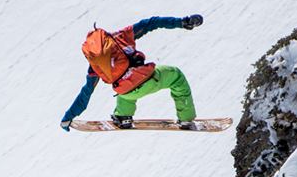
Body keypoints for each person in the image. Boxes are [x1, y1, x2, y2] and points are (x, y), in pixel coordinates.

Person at [60, 15, 204, 131]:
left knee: (122, 88)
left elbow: (86, 93)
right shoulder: (120, 37)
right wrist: (183, 22)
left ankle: (123, 117)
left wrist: (68, 116)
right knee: (176, 76)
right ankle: (186, 118)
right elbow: (151, 23)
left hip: (127, 92)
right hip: (148, 79)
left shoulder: (96, 66)